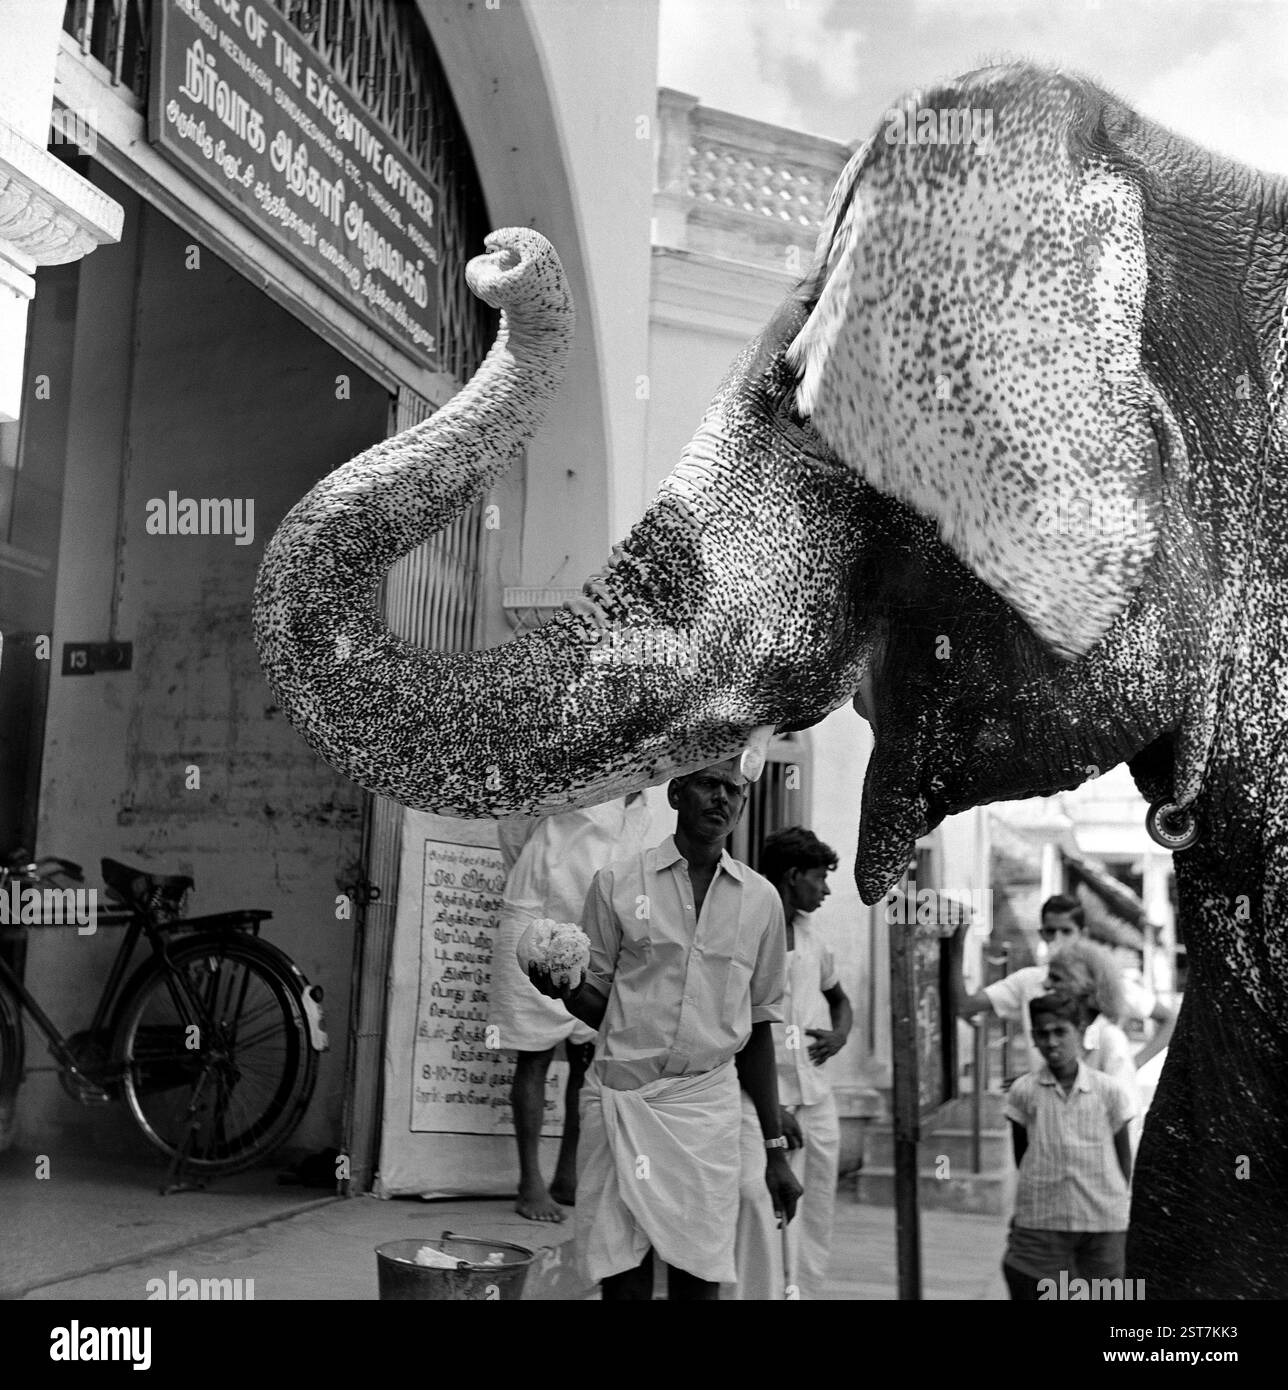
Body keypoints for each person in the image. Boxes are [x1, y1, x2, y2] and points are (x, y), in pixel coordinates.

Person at [528, 758, 801, 1300]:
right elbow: (603, 1006)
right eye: (708, 784)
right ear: (676, 794)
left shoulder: (761, 901)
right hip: (622, 1099)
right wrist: (560, 987)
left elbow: (761, 1027)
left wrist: (773, 1150)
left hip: (705, 1113)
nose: (722, 798)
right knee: (621, 1277)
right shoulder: (617, 883)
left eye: (733, 789)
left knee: (698, 1275)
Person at [489, 794, 650, 1221]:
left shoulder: (643, 803)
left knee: (586, 1055)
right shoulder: (578, 768)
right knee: (535, 1052)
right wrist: (527, 879)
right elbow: (514, 821)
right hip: (536, 911)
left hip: (598, 926)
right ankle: (529, 1184)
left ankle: (566, 1177)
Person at [724, 826, 849, 1300]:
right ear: (794, 876)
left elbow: (841, 1000)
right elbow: (734, 1028)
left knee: (815, 1212)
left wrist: (840, 1035)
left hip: (817, 1098)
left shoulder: (814, 938)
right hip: (760, 1099)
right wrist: (768, 1109)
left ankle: (804, 1293)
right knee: (756, 1201)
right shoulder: (747, 930)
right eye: (820, 878)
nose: (826, 889)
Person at [1001, 990, 1135, 1299]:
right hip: (1042, 1214)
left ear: (1081, 1032)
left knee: (1104, 1291)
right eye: (1043, 1034)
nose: (1052, 1042)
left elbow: (1123, 1160)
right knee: (1026, 1278)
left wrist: (1111, 1200)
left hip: (1101, 1218)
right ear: (1033, 1037)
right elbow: (1022, 1153)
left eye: (1060, 1032)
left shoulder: (1108, 1092)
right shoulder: (1024, 1092)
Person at [953, 894, 1175, 1076]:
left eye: (1066, 931)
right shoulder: (1031, 981)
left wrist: (1133, 1065)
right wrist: (957, 941)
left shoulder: (1107, 988)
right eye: (1050, 931)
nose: (1058, 939)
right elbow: (965, 1005)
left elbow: (1169, 1020)